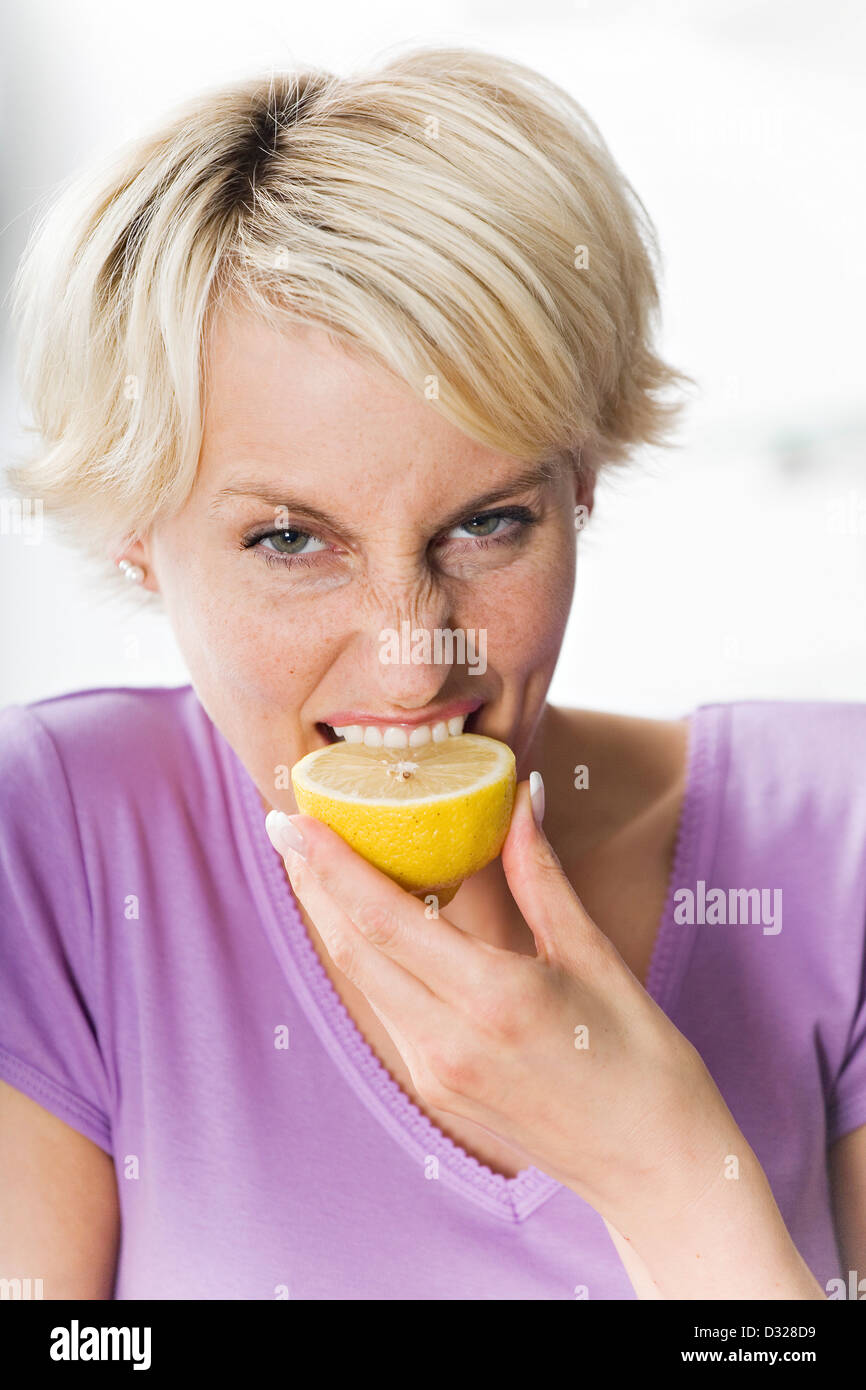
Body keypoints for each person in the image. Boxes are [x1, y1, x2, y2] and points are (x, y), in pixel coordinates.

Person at [1, 45, 863, 1301]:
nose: (412, 658)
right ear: (138, 535)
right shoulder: (52, 849)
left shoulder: (834, 846)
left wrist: (670, 1178)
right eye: (290, 539)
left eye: (485, 523)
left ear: (581, 483)